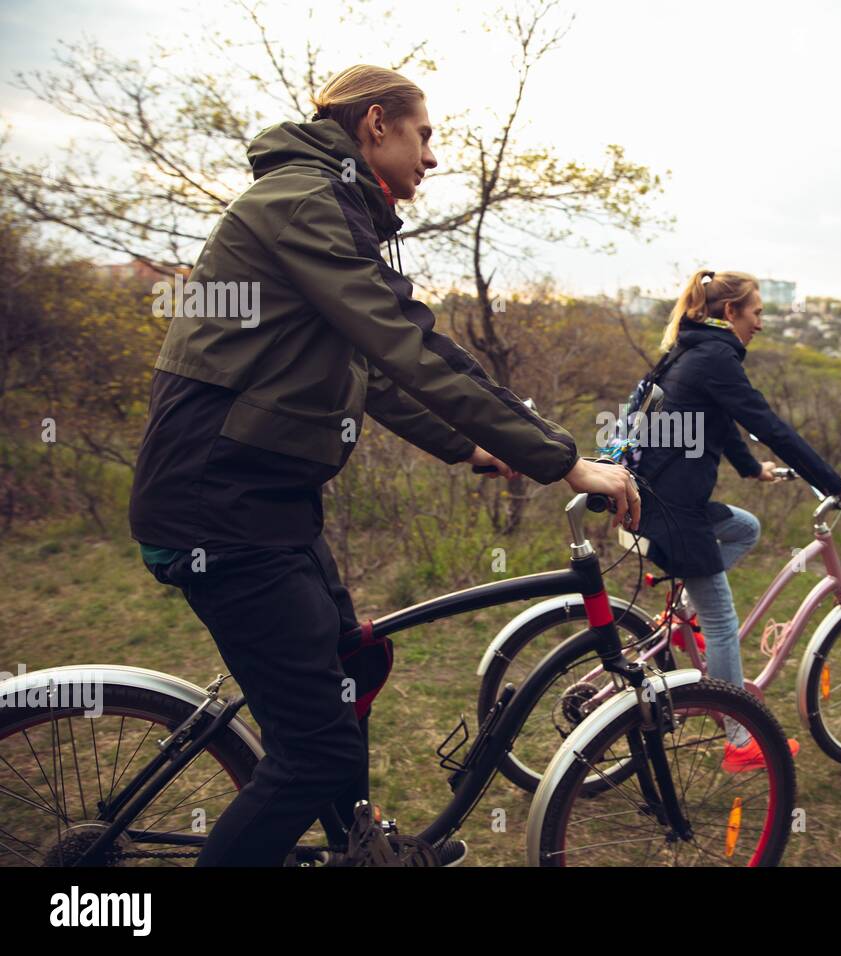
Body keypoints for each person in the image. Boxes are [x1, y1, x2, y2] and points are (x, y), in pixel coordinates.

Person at [129, 64, 638, 867]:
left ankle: (360, 850)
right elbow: (406, 340)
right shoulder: (303, 202)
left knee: (355, 663)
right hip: (216, 506)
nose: (432, 157)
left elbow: (367, 371)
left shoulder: (324, 205)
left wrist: (473, 444)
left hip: (265, 503)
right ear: (375, 125)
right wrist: (560, 460)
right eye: (425, 135)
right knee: (315, 751)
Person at [632, 270, 841, 771]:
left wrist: (749, 468)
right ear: (730, 313)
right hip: (675, 511)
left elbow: (718, 420)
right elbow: (770, 426)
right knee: (723, 624)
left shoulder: (691, 349)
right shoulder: (716, 355)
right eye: (757, 313)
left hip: (656, 499)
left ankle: (681, 623)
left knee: (745, 528)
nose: (761, 323)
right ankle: (740, 740)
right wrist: (836, 485)